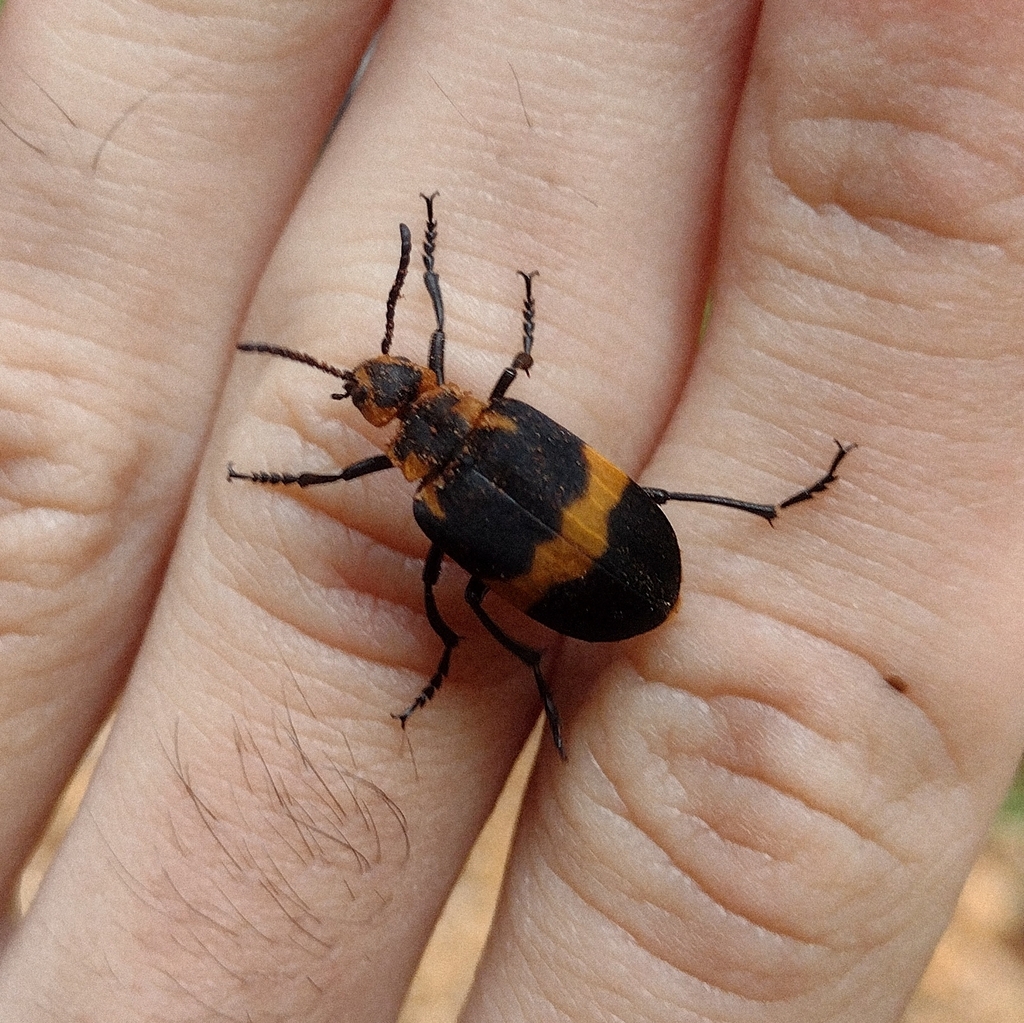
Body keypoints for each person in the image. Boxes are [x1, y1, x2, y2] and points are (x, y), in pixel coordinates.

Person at [1, 0, 1021, 1019]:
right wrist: (430, 296)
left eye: (386, 378)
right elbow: (497, 362)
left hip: (615, 567)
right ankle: (751, 521)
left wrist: (349, 479)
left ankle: (546, 636)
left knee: (478, 585)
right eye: (381, 383)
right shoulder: (483, 435)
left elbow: (443, 529)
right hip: (610, 565)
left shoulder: (441, 493)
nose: (386, 376)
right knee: (526, 553)